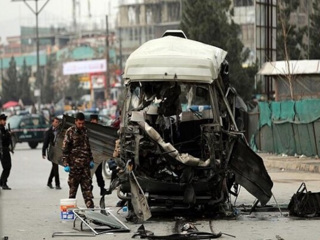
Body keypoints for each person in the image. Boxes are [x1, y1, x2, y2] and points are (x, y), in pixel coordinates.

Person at [62, 112, 95, 208]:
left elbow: (88, 148)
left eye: (82, 123)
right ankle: (71, 211)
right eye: (79, 123)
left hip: (85, 167)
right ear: (75, 121)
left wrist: (91, 160)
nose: (81, 125)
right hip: (74, 167)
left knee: (88, 191)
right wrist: (66, 163)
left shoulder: (85, 131)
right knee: (72, 191)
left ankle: (91, 211)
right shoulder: (70, 132)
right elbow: (65, 150)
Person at [89, 114, 107, 196]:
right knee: (89, 175)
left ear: (97, 120)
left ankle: (102, 189)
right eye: (92, 120)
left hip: (98, 155)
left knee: (99, 174)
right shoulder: (87, 129)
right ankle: (89, 191)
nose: (93, 121)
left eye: (94, 120)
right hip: (89, 156)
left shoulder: (100, 130)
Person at [42, 117, 61, 190]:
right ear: (52, 123)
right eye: (56, 122)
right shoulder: (49, 132)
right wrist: (43, 152)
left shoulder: (60, 131)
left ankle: (49, 181)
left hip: (58, 151)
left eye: (58, 122)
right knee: (55, 166)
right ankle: (57, 184)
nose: (57, 123)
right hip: (52, 152)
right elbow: (45, 143)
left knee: (54, 167)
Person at [0, 113, 13, 190]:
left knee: (7, 167)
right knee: (7, 167)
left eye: (5, 120)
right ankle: (3, 182)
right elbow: (3, 139)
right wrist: (7, 135)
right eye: (3, 120)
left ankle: (2, 181)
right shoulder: (1, 130)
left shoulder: (3, 129)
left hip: (5, 149)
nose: (5, 122)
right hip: (3, 150)